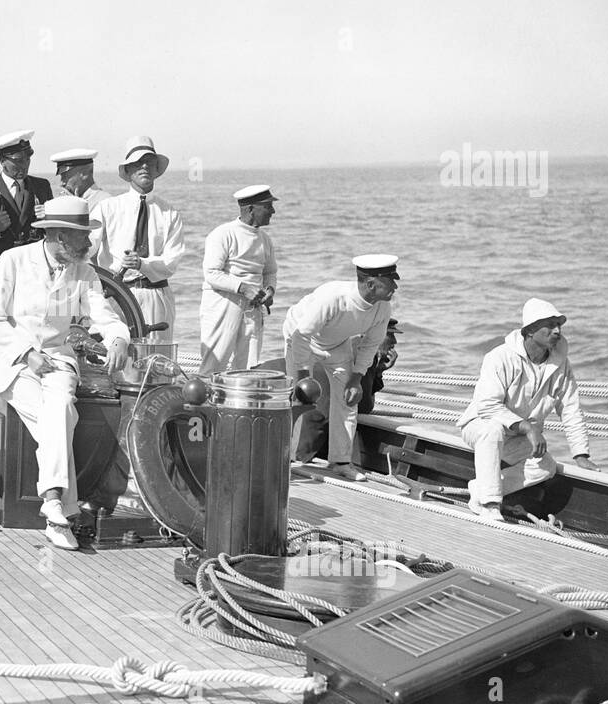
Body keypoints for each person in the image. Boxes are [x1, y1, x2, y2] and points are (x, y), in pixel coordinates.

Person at [0, 196, 131, 550]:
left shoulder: (84, 271)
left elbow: (104, 316)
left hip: (59, 362)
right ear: (59, 236)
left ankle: (52, 503)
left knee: (60, 406)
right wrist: (26, 353)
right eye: (82, 236)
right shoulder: (13, 261)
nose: (89, 243)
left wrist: (119, 338)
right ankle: (61, 508)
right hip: (15, 362)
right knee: (58, 415)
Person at [457, 299, 599, 521]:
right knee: (492, 430)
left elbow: (571, 409)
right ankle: (490, 505)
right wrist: (527, 428)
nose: (557, 330)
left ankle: (480, 490)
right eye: (550, 325)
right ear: (530, 330)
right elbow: (487, 405)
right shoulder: (500, 357)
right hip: (480, 424)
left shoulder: (560, 364)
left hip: (516, 435)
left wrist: (581, 455)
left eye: (559, 325)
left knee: (545, 466)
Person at [283, 254, 399, 481]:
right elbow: (301, 336)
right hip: (299, 337)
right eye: (390, 281)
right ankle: (282, 455)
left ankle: (341, 462)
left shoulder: (382, 307)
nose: (395, 286)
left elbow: (370, 345)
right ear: (371, 284)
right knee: (297, 397)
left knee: (348, 399)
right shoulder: (332, 297)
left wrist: (356, 378)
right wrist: (304, 377)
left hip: (336, 345)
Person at [93, 135, 185, 339]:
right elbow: (86, 247)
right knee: (117, 357)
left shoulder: (169, 213)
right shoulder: (107, 208)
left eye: (150, 162)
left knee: (157, 360)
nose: (144, 166)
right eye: (137, 163)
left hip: (156, 296)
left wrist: (142, 264)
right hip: (117, 295)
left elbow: (172, 261)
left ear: (156, 170)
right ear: (127, 170)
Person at [199, 184, 278, 376]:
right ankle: (205, 402)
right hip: (223, 304)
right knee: (214, 363)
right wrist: (243, 288)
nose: (273, 211)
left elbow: (270, 272)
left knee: (248, 367)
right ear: (251, 209)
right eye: (268, 206)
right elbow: (212, 273)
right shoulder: (223, 234)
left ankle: (240, 403)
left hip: (253, 307)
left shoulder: (265, 239)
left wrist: (269, 291)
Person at [0, 130, 53, 278]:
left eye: (27, 159)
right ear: (2, 161)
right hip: (1, 271)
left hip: (36, 270)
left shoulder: (42, 186)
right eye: (18, 161)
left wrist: (48, 220)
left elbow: (55, 233)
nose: (24, 165)